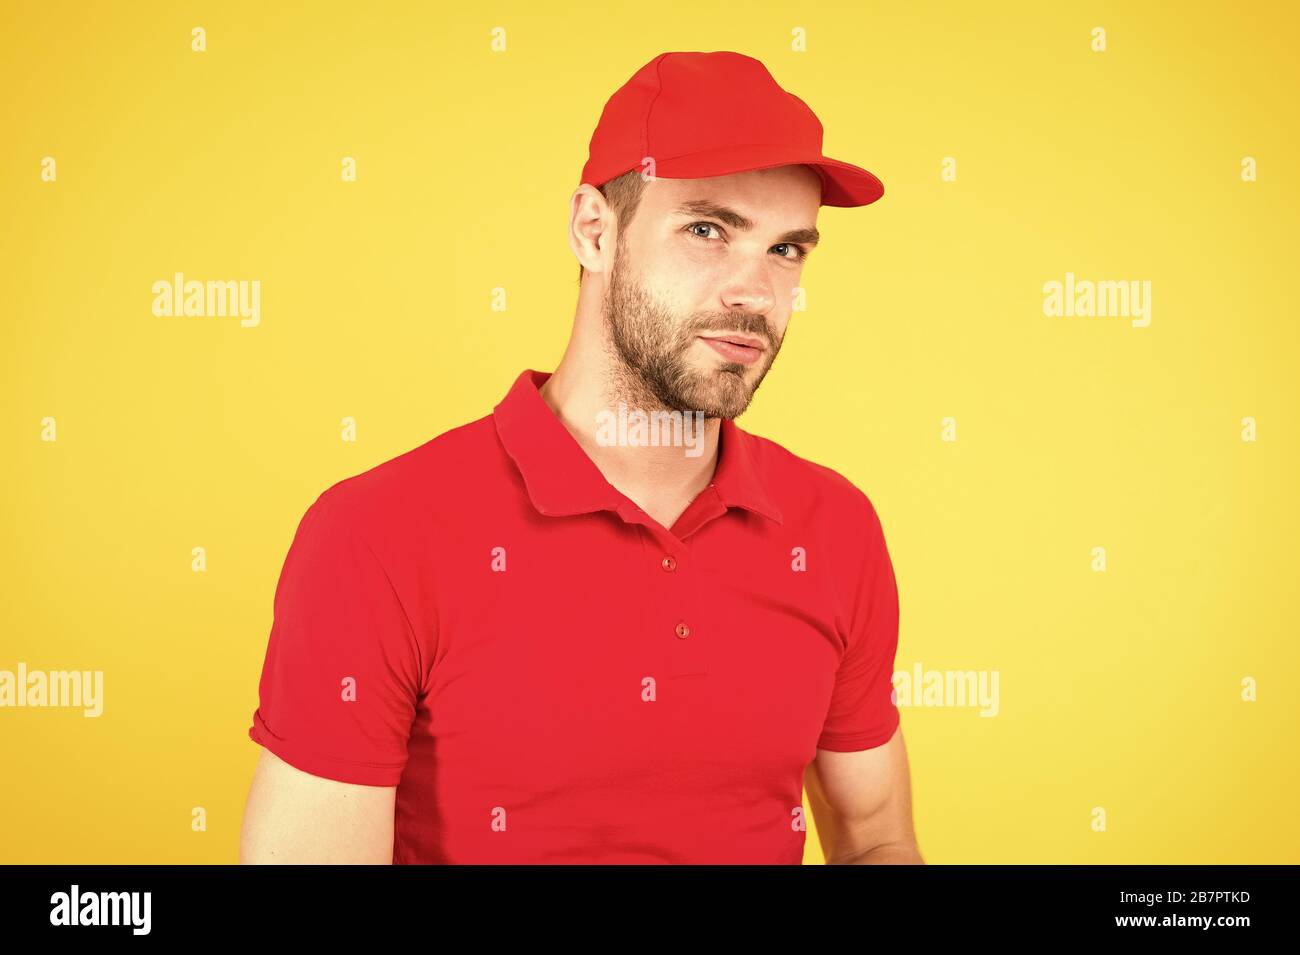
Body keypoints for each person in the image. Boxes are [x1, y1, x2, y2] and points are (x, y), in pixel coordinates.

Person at [240, 50, 923, 864]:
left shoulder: (834, 527)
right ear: (594, 231)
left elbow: (876, 837)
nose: (756, 293)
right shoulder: (377, 534)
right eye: (708, 230)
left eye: (787, 250)